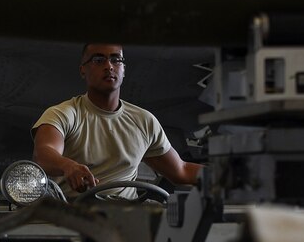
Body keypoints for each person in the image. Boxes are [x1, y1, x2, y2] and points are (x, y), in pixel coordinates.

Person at [32, 43, 202, 199]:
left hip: (129, 217)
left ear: (124, 69)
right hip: (76, 217)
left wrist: (223, 174)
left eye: (116, 59)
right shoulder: (64, 114)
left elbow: (181, 171)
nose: (109, 66)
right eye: (99, 60)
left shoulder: (144, 121)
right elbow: (43, 154)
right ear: (83, 70)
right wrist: (67, 166)